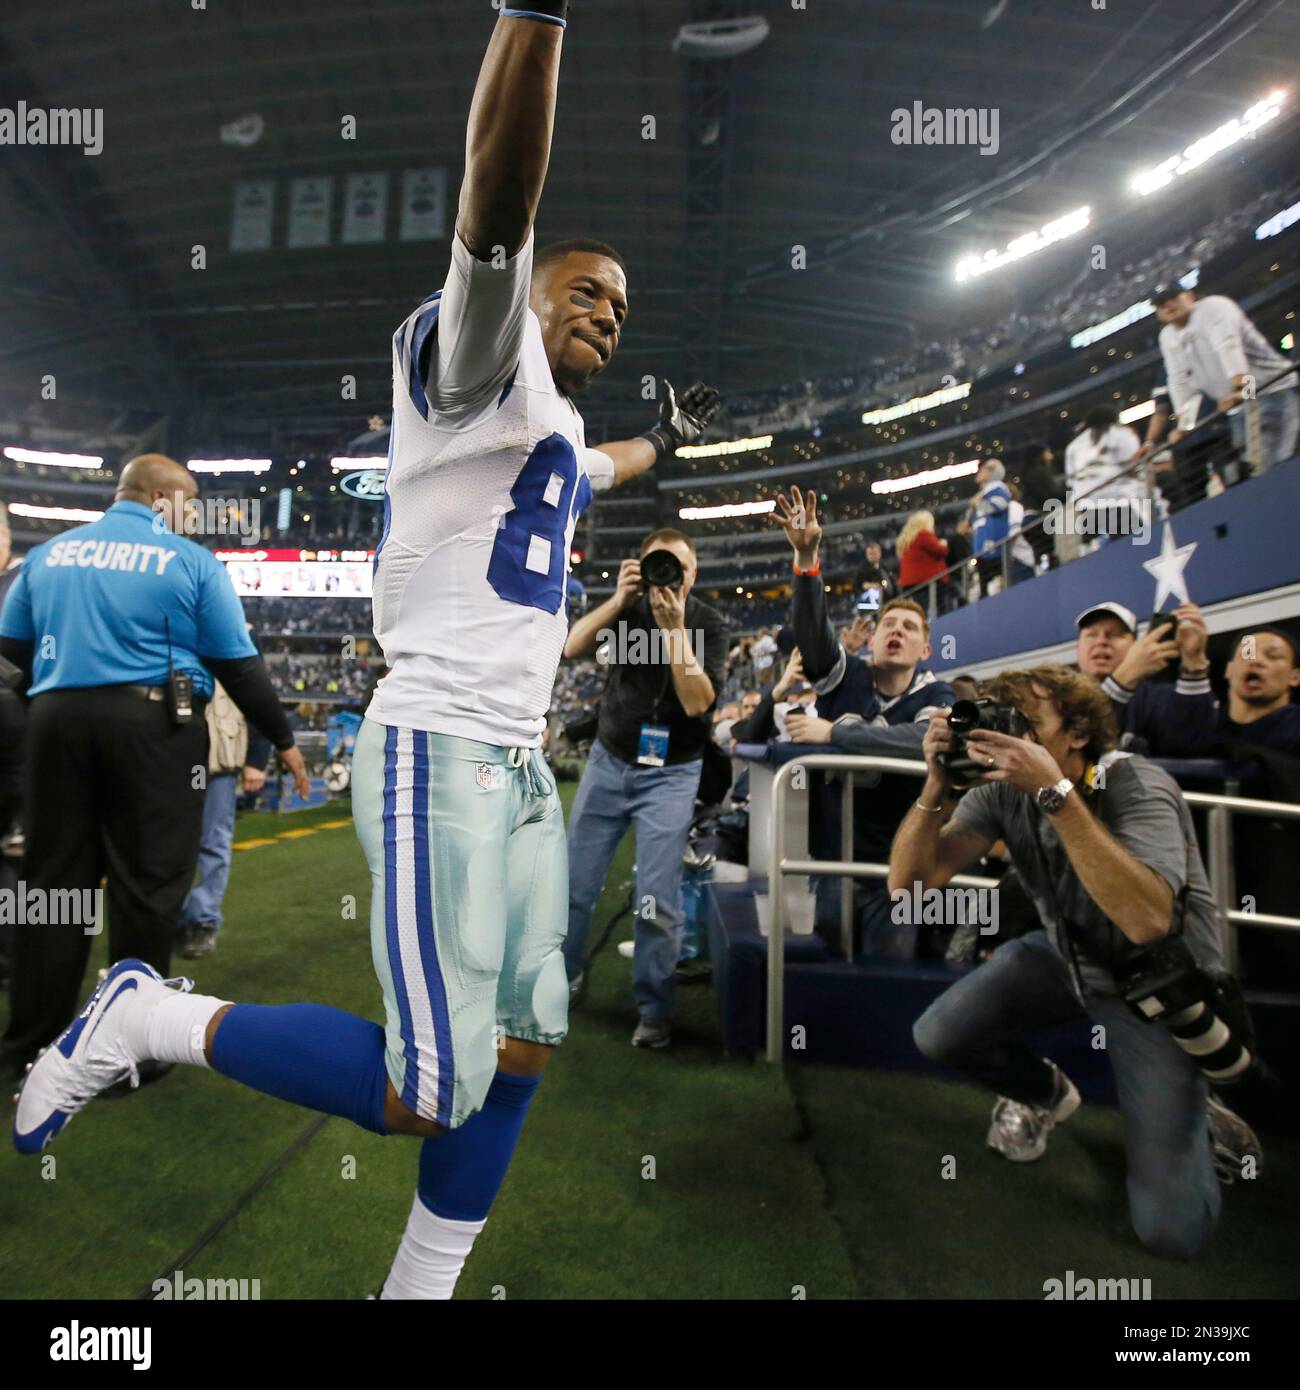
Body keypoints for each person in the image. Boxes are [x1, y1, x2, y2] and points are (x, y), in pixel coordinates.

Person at [14, 7, 720, 1304]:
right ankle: (143, 1014)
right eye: (590, 290)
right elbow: (497, 192)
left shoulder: (550, 424)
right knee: (425, 1083)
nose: (610, 314)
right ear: (528, 287)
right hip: (440, 740)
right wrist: (539, 21)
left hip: (515, 764)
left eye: (624, 307)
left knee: (518, 1051)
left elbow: (590, 456)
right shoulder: (474, 347)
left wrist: (657, 449)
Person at [896, 665, 1259, 1258]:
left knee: (1172, 1233)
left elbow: (1146, 921)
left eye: (1028, 727)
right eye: (1001, 727)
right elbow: (909, 889)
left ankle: (1198, 1110)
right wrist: (935, 790)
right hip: (1063, 957)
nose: (1012, 745)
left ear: (1079, 734)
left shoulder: (1135, 784)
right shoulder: (997, 791)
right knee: (938, 1033)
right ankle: (1045, 1093)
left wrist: (1057, 798)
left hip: (1157, 988)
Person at [0, 454, 309, 1079]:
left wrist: (64, 695)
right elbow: (238, 665)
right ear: (162, 497)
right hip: (153, 731)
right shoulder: (190, 562)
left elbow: (10, 653)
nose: (192, 516)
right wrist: (282, 738)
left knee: (53, 890)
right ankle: (125, 1051)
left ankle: (29, 1043)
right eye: (189, 504)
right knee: (147, 886)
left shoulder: (49, 555)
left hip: (56, 724)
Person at [560, 529, 729, 1047]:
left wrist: (675, 631)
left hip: (673, 771)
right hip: (610, 760)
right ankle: (562, 978)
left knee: (658, 897)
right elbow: (570, 648)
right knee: (573, 887)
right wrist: (618, 599)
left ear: (692, 574)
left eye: (677, 567)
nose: (668, 577)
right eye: (659, 564)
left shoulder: (708, 623)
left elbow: (699, 702)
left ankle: (654, 1009)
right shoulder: (627, 610)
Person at [1149, 281, 1298, 477]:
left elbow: (1228, 346)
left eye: (1174, 298)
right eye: (1161, 304)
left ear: (1191, 296)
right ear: (1158, 314)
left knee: (1270, 465)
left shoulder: (1214, 307)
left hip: (1271, 389)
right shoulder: (1167, 336)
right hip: (1238, 406)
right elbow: (1178, 379)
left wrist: (1241, 390)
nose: (1168, 305)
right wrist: (1184, 426)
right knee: (1253, 468)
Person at [176, 676, 274, 960]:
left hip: (218, 755)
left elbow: (257, 696)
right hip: (172, 754)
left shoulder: (243, 630)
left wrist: (257, 759)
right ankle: (172, 916)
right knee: (170, 843)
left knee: (213, 842)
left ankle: (201, 921)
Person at [1061, 405, 1146, 555]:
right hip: (1117, 503)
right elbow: (1136, 463)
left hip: (1086, 507)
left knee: (1098, 558)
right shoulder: (1121, 434)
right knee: (1135, 551)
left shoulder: (1072, 447)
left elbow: (1070, 482)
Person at [966, 459, 1011, 597]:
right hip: (981, 550)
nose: (979, 473)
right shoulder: (982, 493)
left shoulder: (998, 488)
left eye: (983, 469)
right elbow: (969, 520)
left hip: (995, 547)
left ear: (991, 471)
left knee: (1000, 585)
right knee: (984, 589)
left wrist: (979, 503)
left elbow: (998, 505)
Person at [896, 510, 949, 595]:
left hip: (908, 583)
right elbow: (940, 551)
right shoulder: (923, 535)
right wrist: (943, 544)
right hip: (925, 582)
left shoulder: (906, 539)